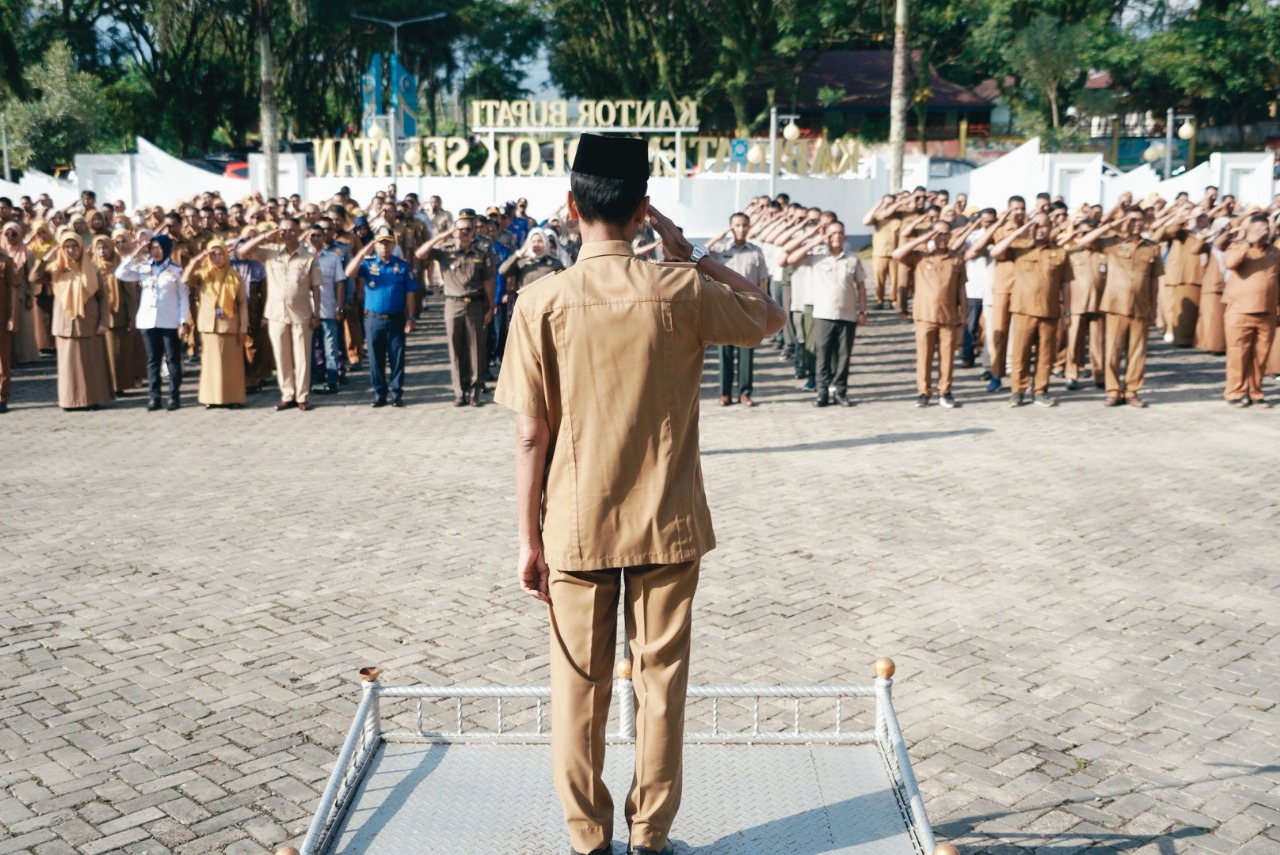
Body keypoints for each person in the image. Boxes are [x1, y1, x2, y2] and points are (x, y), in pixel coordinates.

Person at [497, 134, 784, 855]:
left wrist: (528, 538)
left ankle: (588, 841)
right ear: (643, 209)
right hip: (668, 520)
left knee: (578, 688)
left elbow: (532, 434)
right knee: (660, 685)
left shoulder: (542, 300)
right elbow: (768, 313)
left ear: (571, 207)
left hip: (574, 522)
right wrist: (689, 254)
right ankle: (650, 837)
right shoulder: (681, 288)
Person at [1080, 207, 1164, 408]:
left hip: (1140, 306)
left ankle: (1132, 391)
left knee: (1137, 352)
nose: (1135, 223)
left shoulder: (1152, 247)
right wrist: (1111, 225)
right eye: (1131, 219)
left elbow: (1154, 281)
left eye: (1139, 220)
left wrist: (1154, 310)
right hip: (1115, 305)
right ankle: (1113, 390)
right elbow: (1084, 241)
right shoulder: (1112, 242)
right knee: (1113, 352)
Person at [237, 219, 323, 411]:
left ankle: (302, 396)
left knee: (302, 357)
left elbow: (316, 288)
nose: (286, 234)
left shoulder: (309, 257)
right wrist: (268, 234)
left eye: (291, 230)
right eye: (283, 230)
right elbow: (243, 251)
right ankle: (287, 394)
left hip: (301, 313)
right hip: (276, 314)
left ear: (299, 231)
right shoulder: (270, 252)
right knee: (282, 356)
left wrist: (317, 314)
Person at [992, 213, 1071, 407]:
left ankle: (1040, 391)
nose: (1040, 229)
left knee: (1046, 355)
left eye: (1044, 226)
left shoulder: (1060, 252)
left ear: (1051, 227)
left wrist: (1067, 311)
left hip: (1049, 310)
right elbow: (996, 252)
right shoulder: (1020, 248)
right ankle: (1017, 391)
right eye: (1036, 226)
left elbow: (1066, 284)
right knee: (1021, 353)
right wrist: (1020, 231)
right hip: (1023, 310)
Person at [785, 220, 866, 406]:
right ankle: (822, 392)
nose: (836, 237)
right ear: (826, 236)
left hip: (847, 314)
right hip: (823, 313)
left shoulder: (852, 258)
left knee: (844, 355)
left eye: (839, 233)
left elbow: (861, 286)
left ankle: (840, 391)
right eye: (832, 233)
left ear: (845, 236)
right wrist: (816, 240)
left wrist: (863, 310)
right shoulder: (816, 257)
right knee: (822, 354)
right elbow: (791, 258)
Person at [415, 215, 494, 407]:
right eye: (460, 229)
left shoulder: (481, 252)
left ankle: (475, 392)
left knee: (476, 349)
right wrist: (444, 235)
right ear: (455, 231)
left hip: (475, 304)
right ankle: (459, 391)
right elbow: (420, 254)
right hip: (452, 303)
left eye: (468, 229)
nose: (464, 233)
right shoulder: (445, 251)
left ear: (474, 231)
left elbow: (489, 281)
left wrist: (490, 306)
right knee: (455, 349)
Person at [893, 219, 967, 408]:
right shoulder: (920, 256)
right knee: (924, 357)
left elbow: (961, 289)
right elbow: (897, 254)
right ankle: (923, 391)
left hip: (949, 315)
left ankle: (945, 391)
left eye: (945, 233)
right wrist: (924, 238)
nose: (942, 237)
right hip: (924, 315)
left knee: (947, 357)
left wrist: (964, 313)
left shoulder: (956, 258)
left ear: (950, 236)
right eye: (938, 233)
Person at [35, 229, 112, 411]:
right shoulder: (56, 269)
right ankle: (70, 401)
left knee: (91, 364)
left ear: (81, 248)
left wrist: (103, 322)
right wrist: (46, 258)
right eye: (66, 247)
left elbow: (103, 298)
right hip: (65, 325)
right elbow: (34, 277)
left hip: (89, 323)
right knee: (69, 367)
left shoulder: (92, 269)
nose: (70, 250)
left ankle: (92, 399)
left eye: (74, 246)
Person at [117, 233, 191, 411]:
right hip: (148, 321)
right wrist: (136, 252)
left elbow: (184, 297)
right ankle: (154, 397)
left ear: (166, 248)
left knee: (172, 359)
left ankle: (174, 397)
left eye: (159, 247)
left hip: (170, 321)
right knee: (152, 360)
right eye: (153, 247)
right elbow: (121, 273)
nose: (156, 251)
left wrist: (183, 322)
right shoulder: (143, 267)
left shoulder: (177, 270)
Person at [346, 228, 416, 407]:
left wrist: (411, 317)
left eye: (387, 243)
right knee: (375, 359)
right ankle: (379, 393)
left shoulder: (402, 266)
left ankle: (396, 393)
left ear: (394, 244)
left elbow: (410, 293)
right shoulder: (368, 264)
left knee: (396, 356)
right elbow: (349, 273)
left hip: (396, 318)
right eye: (380, 243)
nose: (384, 247)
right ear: (375, 244)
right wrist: (364, 251)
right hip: (373, 318)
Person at [708, 212, 769, 405]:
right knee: (724, 352)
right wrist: (720, 235)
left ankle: (745, 392)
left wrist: (764, 309)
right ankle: (725, 393)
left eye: (744, 225)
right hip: (725, 306)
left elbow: (762, 283)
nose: (741, 229)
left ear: (749, 227)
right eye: (736, 225)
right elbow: (699, 252)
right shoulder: (720, 249)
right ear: (730, 227)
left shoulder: (756, 251)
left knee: (747, 351)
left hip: (748, 307)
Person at [1221, 214, 1279, 407]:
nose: (1264, 232)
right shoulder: (1237, 247)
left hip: (1267, 312)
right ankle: (1235, 392)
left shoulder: (1275, 253)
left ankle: (1255, 392)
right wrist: (1248, 242)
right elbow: (1231, 264)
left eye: (1267, 229)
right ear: (1249, 230)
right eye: (1260, 229)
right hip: (1240, 311)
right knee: (1238, 354)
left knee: (1260, 356)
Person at [187, 239, 249, 408]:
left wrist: (243, 326)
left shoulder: (234, 276)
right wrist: (197, 259)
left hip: (229, 325)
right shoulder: (203, 273)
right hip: (209, 325)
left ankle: (233, 398)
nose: (217, 257)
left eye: (221, 253)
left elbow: (243, 302)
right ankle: (212, 398)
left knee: (231, 365)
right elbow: (186, 279)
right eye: (213, 254)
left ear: (227, 254)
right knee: (210, 365)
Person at [89, 235, 138, 399]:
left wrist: (132, 316)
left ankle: (119, 385)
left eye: (106, 248)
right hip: (97, 317)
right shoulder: (91, 267)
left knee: (118, 353)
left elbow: (130, 294)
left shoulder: (120, 266)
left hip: (118, 315)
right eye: (99, 248)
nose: (102, 252)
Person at [304, 225, 348, 395]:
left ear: (324, 237)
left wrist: (339, 307)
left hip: (328, 309)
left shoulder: (333, 258)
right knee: (309, 349)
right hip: (307, 311)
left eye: (319, 235)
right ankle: (313, 381)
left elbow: (340, 283)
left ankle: (332, 380)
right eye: (312, 235)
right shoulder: (302, 257)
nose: (315, 238)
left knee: (330, 349)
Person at [0, 236, 21, 412]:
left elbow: (14, 290)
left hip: (1, 319)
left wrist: (13, 317)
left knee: (2, 360)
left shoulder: (6, 262)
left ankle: (1, 396)